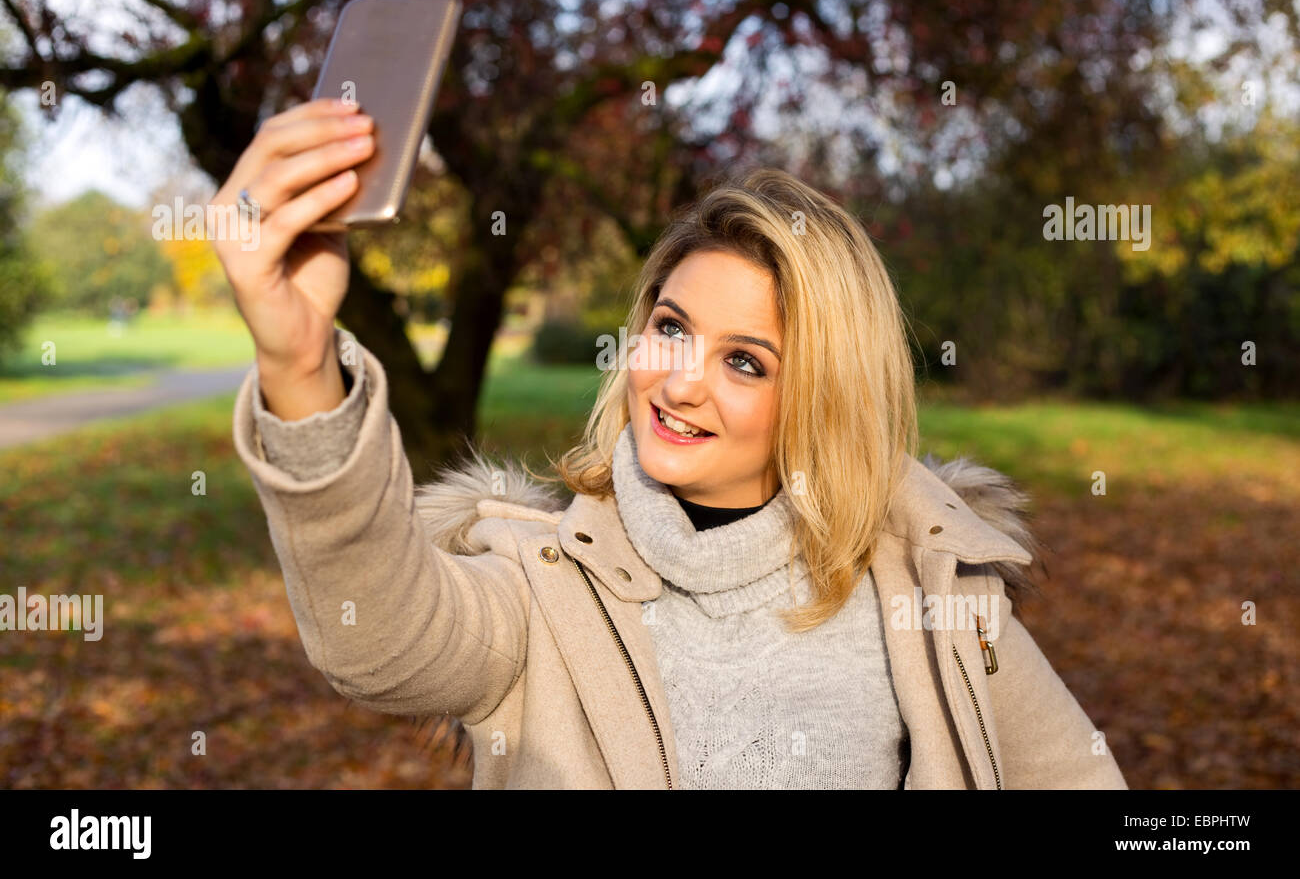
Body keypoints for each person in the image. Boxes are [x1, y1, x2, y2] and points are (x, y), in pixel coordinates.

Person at [209, 97, 1128, 789]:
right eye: (672, 327)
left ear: (825, 400)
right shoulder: (541, 589)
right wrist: (297, 363)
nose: (681, 379)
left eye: (747, 362)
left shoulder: (921, 581)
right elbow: (378, 644)